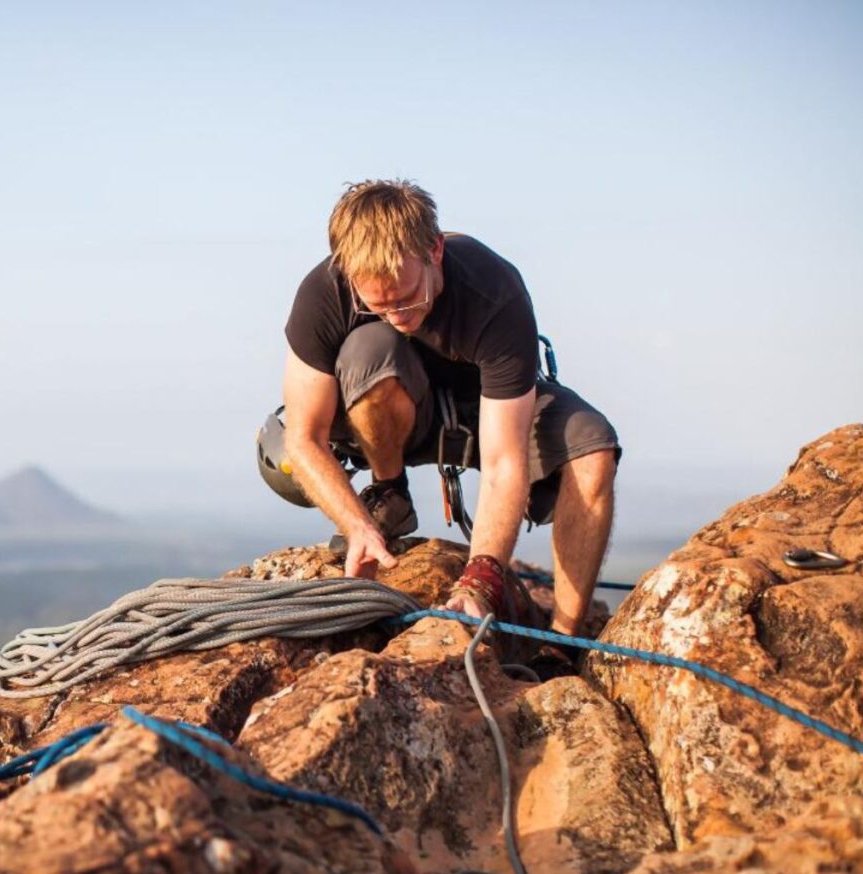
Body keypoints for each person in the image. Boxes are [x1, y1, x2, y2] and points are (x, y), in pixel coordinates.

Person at [262, 179, 619, 638]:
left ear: (434, 251)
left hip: (481, 406)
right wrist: (356, 526)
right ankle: (389, 494)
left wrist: (483, 577)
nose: (398, 314)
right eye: (378, 303)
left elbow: (504, 460)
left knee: (592, 450)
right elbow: (303, 436)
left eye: (408, 297)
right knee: (372, 348)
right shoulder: (325, 292)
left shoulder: (494, 292)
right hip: (392, 404)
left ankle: (563, 640)